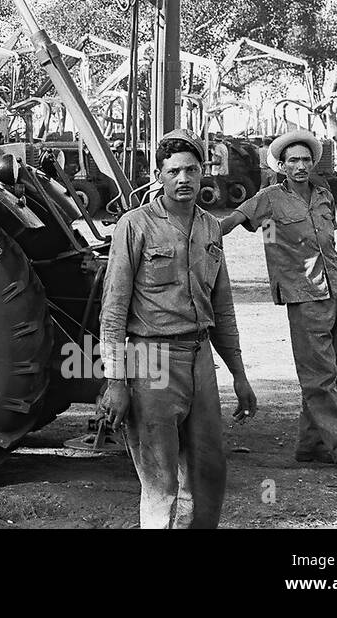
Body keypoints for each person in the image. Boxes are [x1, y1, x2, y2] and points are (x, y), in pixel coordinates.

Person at [100, 129, 258, 529]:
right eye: (174, 172)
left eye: (191, 170)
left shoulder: (210, 228)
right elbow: (114, 310)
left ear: (203, 173)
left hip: (199, 358)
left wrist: (239, 375)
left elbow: (222, 309)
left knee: (208, 471)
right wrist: (116, 381)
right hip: (150, 358)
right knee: (161, 479)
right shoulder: (134, 226)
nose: (184, 179)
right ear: (159, 176)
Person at [220, 128, 337, 472]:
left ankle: (310, 443)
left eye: (305, 160)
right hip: (303, 294)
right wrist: (194, 231)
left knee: (336, 365)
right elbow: (232, 221)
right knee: (319, 374)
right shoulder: (268, 198)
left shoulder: (324, 195)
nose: (300, 166)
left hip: (335, 289)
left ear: (313, 163)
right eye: (293, 160)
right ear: (281, 165)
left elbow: (328, 241)